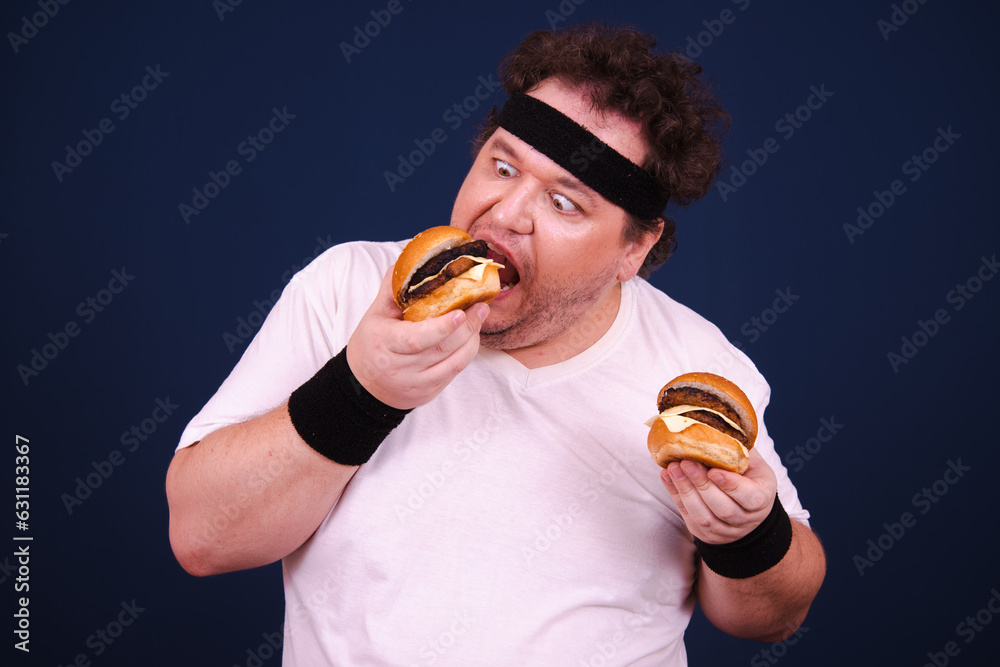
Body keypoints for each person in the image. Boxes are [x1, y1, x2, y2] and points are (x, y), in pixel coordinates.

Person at [166, 22, 825, 665]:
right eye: (503, 166)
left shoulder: (694, 373)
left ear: (635, 247)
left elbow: (773, 617)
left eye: (565, 203)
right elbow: (202, 539)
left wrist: (746, 533)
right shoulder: (348, 291)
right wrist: (360, 390)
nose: (507, 213)